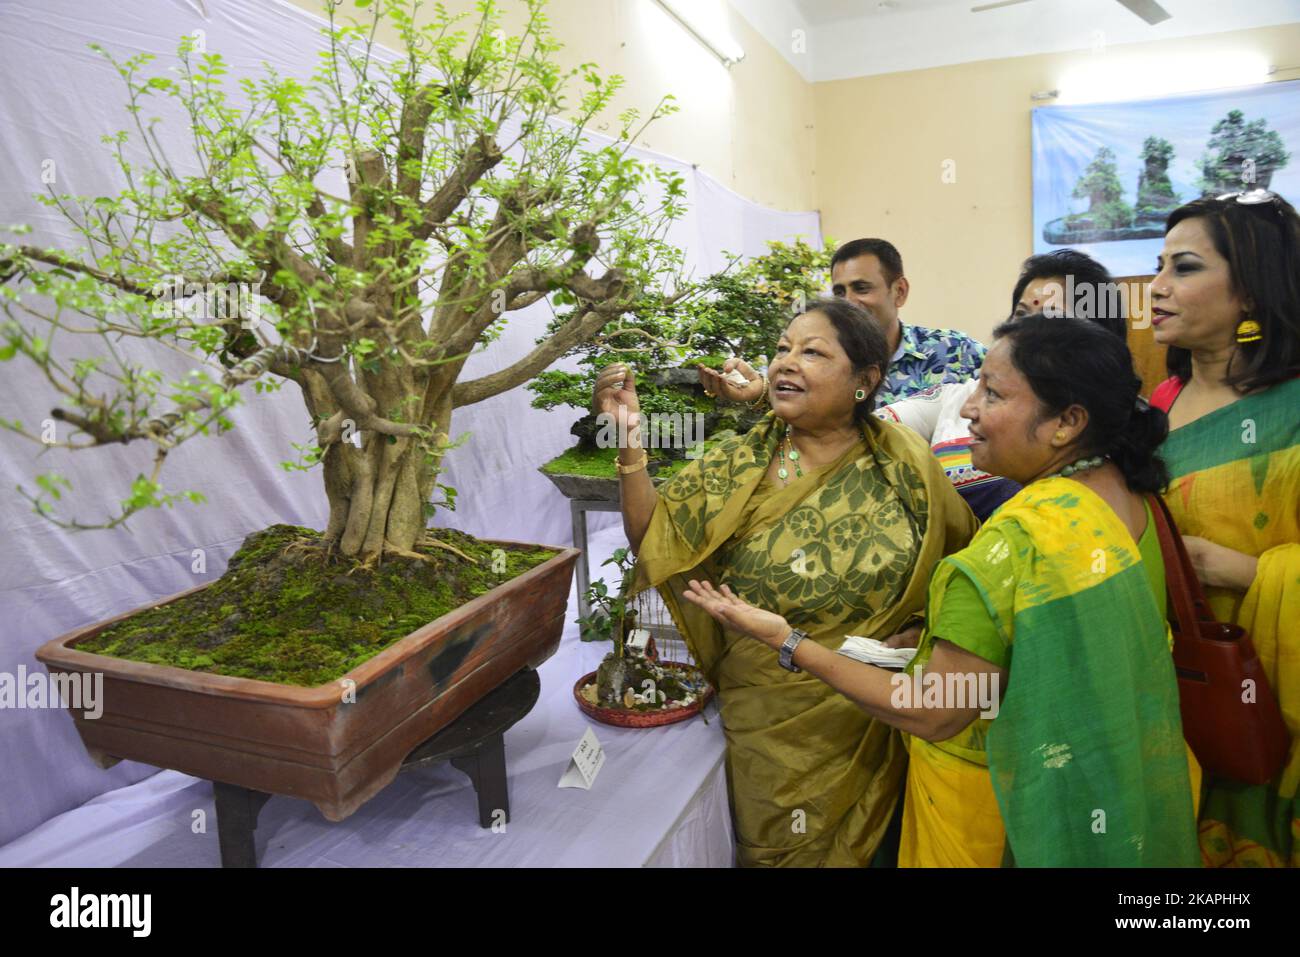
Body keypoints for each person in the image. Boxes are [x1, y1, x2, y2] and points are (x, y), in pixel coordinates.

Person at [682, 314, 1202, 867]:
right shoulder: (1127, 497)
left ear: (1067, 422)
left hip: (999, 804)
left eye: (994, 394)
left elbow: (937, 710)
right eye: (976, 384)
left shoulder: (1014, 541)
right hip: (1113, 773)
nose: (969, 408)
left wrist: (789, 642)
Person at [594, 298, 978, 867]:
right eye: (782, 349)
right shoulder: (739, 462)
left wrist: (922, 626)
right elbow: (657, 538)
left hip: (879, 713)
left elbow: (960, 561)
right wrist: (628, 439)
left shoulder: (906, 463)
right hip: (772, 723)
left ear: (864, 381)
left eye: (812, 352)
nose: (785, 364)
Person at [1147, 189, 1300, 868]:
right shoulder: (1158, 404)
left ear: (1251, 290)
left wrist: (1246, 571)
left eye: (1183, 268)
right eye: (1158, 267)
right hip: (1172, 686)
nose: (1154, 288)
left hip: (1272, 684)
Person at [875, 249, 1126, 521]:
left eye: (1049, 320)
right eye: (1021, 315)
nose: (1027, 332)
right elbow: (870, 430)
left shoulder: (1108, 425)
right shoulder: (960, 399)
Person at [700, 238, 985, 409]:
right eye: (839, 291)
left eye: (861, 288)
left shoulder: (955, 352)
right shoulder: (818, 359)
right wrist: (760, 391)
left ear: (899, 291)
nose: (848, 302)